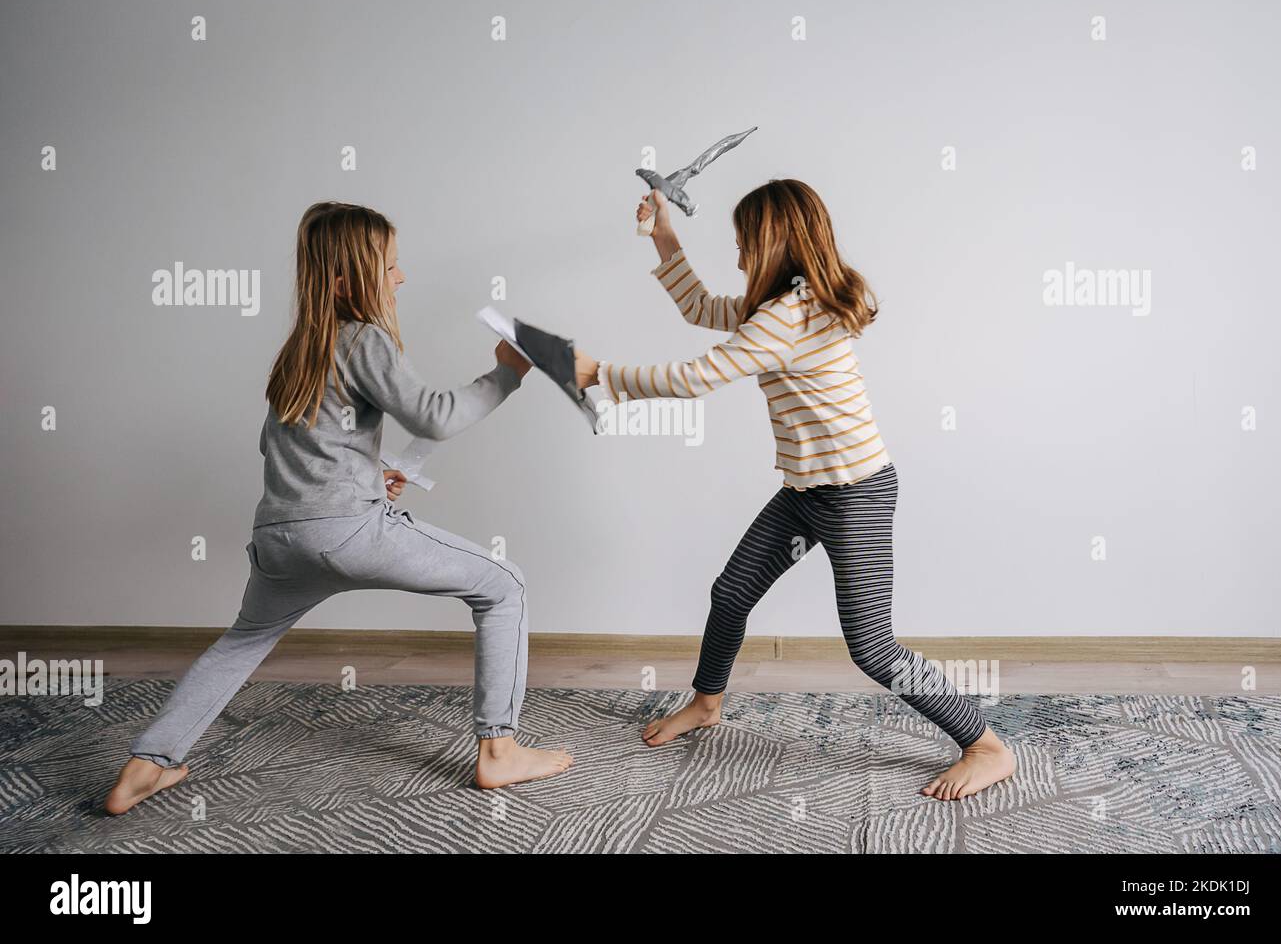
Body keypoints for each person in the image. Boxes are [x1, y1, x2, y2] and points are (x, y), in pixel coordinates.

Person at [106, 202, 573, 814]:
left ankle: (146, 766)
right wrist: (505, 373)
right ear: (346, 278)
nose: (400, 279)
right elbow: (433, 413)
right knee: (504, 585)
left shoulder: (298, 351)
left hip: (280, 537)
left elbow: (291, 449)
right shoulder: (365, 338)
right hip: (346, 533)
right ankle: (500, 751)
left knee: (242, 642)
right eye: (389, 266)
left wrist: (374, 478)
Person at [573, 182, 1015, 800]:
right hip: (809, 492)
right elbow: (699, 307)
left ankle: (986, 745)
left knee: (873, 648)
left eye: (744, 245)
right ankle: (706, 703)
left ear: (775, 244)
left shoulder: (786, 316)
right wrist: (663, 232)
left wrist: (600, 374)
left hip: (856, 493)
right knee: (731, 594)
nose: (737, 258)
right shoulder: (786, 302)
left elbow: (698, 377)